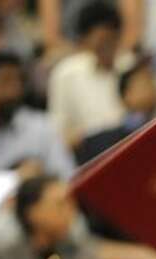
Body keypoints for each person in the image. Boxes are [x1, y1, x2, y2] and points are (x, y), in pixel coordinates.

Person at [47, 1, 126, 149]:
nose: (105, 46)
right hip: (88, 150)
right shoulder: (66, 73)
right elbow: (58, 129)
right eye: (100, 41)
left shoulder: (129, 64)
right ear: (83, 39)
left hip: (128, 140)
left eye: (110, 39)